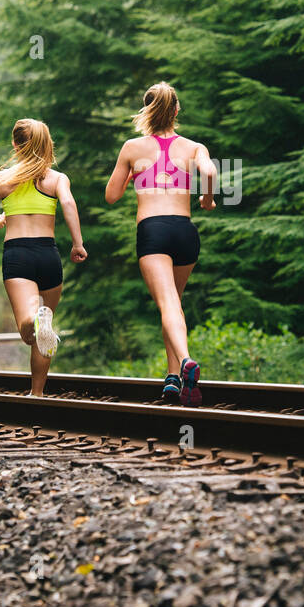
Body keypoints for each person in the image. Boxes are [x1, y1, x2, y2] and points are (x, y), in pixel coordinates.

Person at [105, 82, 216, 405]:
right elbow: (208, 171)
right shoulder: (194, 147)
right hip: (184, 231)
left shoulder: (132, 148)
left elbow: (110, 196)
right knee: (174, 305)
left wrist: (130, 176)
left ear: (147, 109)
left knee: (168, 305)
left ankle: (185, 363)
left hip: (153, 231)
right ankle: (171, 379)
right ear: (177, 110)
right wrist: (206, 199)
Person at [0, 118, 87, 396]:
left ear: (15, 144)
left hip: (18, 255)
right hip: (48, 255)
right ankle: (37, 393)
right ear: (45, 143)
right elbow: (68, 204)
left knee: (30, 324)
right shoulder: (57, 179)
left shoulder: (2, 180)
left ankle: (34, 320)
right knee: (44, 329)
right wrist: (77, 243)